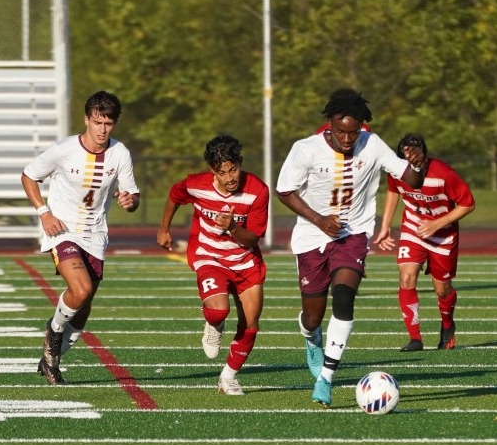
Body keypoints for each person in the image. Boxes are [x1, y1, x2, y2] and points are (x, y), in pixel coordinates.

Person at [276, 88, 419, 407]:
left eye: (353, 132)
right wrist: (318, 219)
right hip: (312, 237)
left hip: (352, 234)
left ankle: (326, 377)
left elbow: (410, 178)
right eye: (340, 131)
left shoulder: (372, 144)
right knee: (313, 318)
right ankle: (311, 339)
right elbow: (284, 190)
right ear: (329, 124)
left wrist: (418, 166)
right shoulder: (306, 149)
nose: (346, 138)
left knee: (344, 298)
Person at [21, 91, 141, 384]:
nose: (102, 130)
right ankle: (53, 334)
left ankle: (51, 357)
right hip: (62, 230)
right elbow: (28, 176)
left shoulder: (120, 153)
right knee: (81, 288)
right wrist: (43, 212)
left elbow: (132, 195)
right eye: (97, 122)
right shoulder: (64, 149)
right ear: (87, 119)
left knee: (84, 305)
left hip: (96, 233)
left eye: (108, 124)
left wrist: (130, 201)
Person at [155, 135, 271, 395]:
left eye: (233, 169)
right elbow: (174, 195)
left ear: (240, 163)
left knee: (251, 324)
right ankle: (214, 323)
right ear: (212, 171)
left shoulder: (258, 190)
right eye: (222, 172)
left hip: (245, 260)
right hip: (209, 256)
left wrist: (232, 227)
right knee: (219, 311)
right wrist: (164, 229)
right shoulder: (197, 185)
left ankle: (228, 377)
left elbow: (252, 237)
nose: (230, 177)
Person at [373, 134, 475, 350]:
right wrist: (385, 225)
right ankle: (415, 338)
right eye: (410, 162)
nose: (415, 166)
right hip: (413, 228)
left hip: (443, 234)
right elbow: (393, 191)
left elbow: (468, 204)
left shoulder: (444, 174)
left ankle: (447, 325)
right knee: (407, 278)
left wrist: (437, 224)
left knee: (442, 290)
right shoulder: (398, 170)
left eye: (418, 161)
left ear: (426, 156)